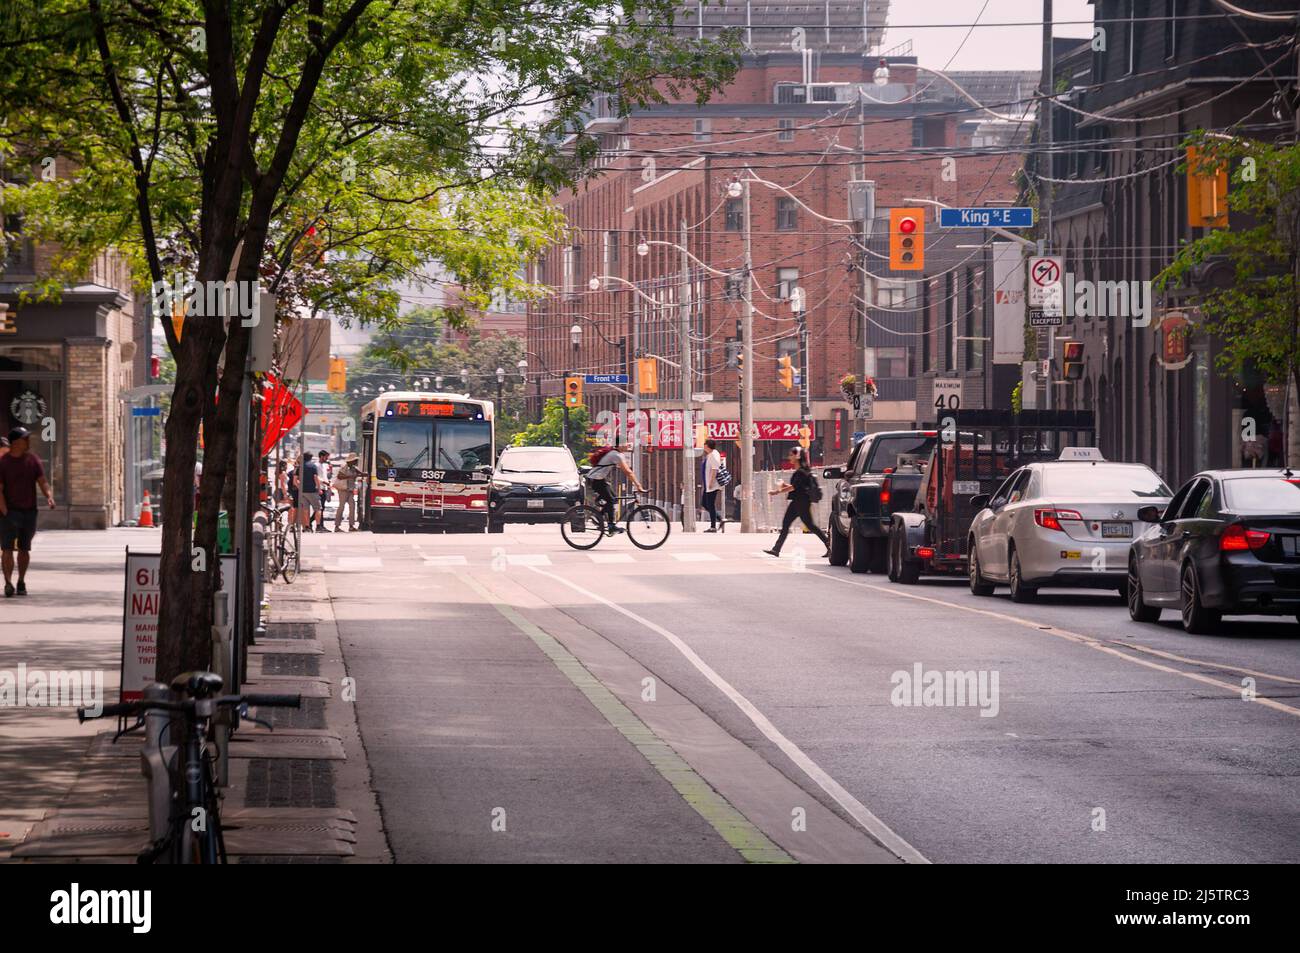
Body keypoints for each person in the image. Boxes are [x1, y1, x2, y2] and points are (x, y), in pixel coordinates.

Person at [0, 427, 57, 597]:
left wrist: (49, 496)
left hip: (29, 511)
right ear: (16, 443)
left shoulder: (33, 460)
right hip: (9, 512)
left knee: (25, 549)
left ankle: (21, 580)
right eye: (25, 439)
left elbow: (43, 481)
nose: (28, 442)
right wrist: (4, 510)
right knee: (7, 549)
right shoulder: (3, 463)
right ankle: (8, 582)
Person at [764, 447, 829, 558]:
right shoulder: (801, 471)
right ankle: (776, 549)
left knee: (809, 525)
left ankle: (830, 544)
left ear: (797, 456)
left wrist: (777, 491)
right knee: (791, 524)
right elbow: (796, 487)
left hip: (801, 502)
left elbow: (794, 487)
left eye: (791, 455)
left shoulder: (802, 472)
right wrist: (783, 486)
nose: (789, 457)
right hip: (798, 502)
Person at [587, 442, 644, 534]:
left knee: (613, 498)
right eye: (625, 443)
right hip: (596, 479)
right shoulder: (615, 455)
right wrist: (638, 485)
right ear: (619, 445)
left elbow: (625, 470)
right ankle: (610, 525)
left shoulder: (616, 454)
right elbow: (628, 472)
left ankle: (598, 516)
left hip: (598, 479)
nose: (627, 445)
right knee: (610, 500)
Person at [333, 453, 362, 531]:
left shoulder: (353, 468)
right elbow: (339, 476)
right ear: (351, 461)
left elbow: (361, 474)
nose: (356, 461)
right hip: (343, 490)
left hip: (350, 490)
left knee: (352, 507)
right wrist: (350, 476)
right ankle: (337, 526)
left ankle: (351, 525)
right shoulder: (344, 467)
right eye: (355, 460)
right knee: (341, 507)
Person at [700, 439, 723, 532]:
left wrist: (711, 482)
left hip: (712, 485)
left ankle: (713, 526)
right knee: (705, 504)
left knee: (710, 504)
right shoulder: (710, 454)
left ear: (707, 445)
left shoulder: (714, 454)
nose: (703, 446)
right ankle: (720, 519)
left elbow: (715, 469)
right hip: (708, 485)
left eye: (704, 444)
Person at [298, 452, 322, 531]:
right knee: (318, 508)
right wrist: (319, 488)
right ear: (310, 458)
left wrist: (300, 488)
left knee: (305, 509)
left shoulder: (300, 467)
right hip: (312, 490)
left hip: (303, 491)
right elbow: (315, 477)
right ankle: (318, 526)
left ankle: (307, 526)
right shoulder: (312, 466)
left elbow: (295, 480)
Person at [316, 450, 333, 532]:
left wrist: (328, 484)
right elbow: (316, 477)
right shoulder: (316, 465)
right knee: (320, 508)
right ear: (321, 456)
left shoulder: (325, 465)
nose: (327, 458)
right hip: (319, 488)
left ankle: (319, 524)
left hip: (325, 487)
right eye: (326, 457)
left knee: (322, 507)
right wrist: (323, 481)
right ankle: (319, 525)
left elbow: (326, 476)